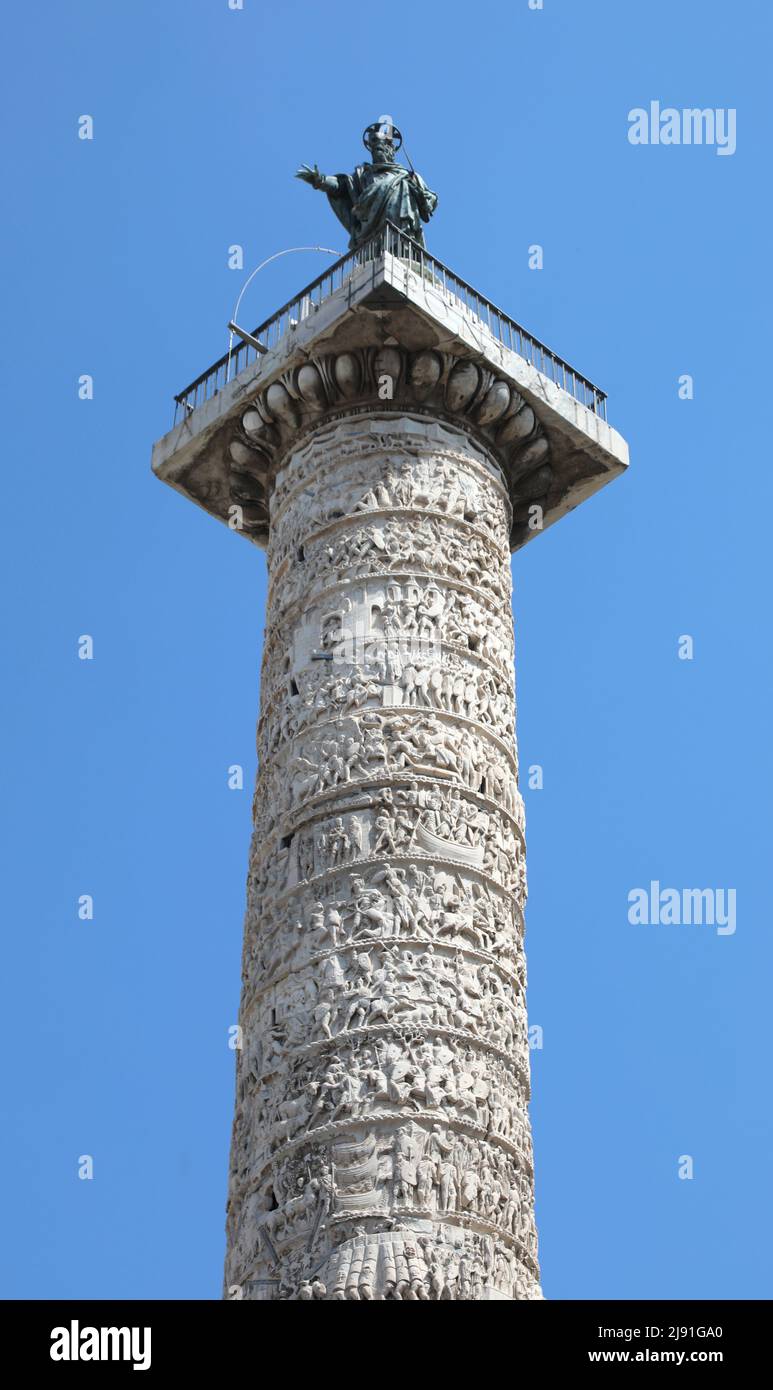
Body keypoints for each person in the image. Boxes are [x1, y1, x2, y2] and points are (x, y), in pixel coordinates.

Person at [296, 116, 438, 250]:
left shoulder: (408, 176)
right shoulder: (363, 175)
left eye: (381, 148)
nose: (377, 152)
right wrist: (320, 180)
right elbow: (341, 185)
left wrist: (426, 200)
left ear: (390, 150)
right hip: (373, 229)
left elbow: (430, 198)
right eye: (374, 149)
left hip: (404, 228)